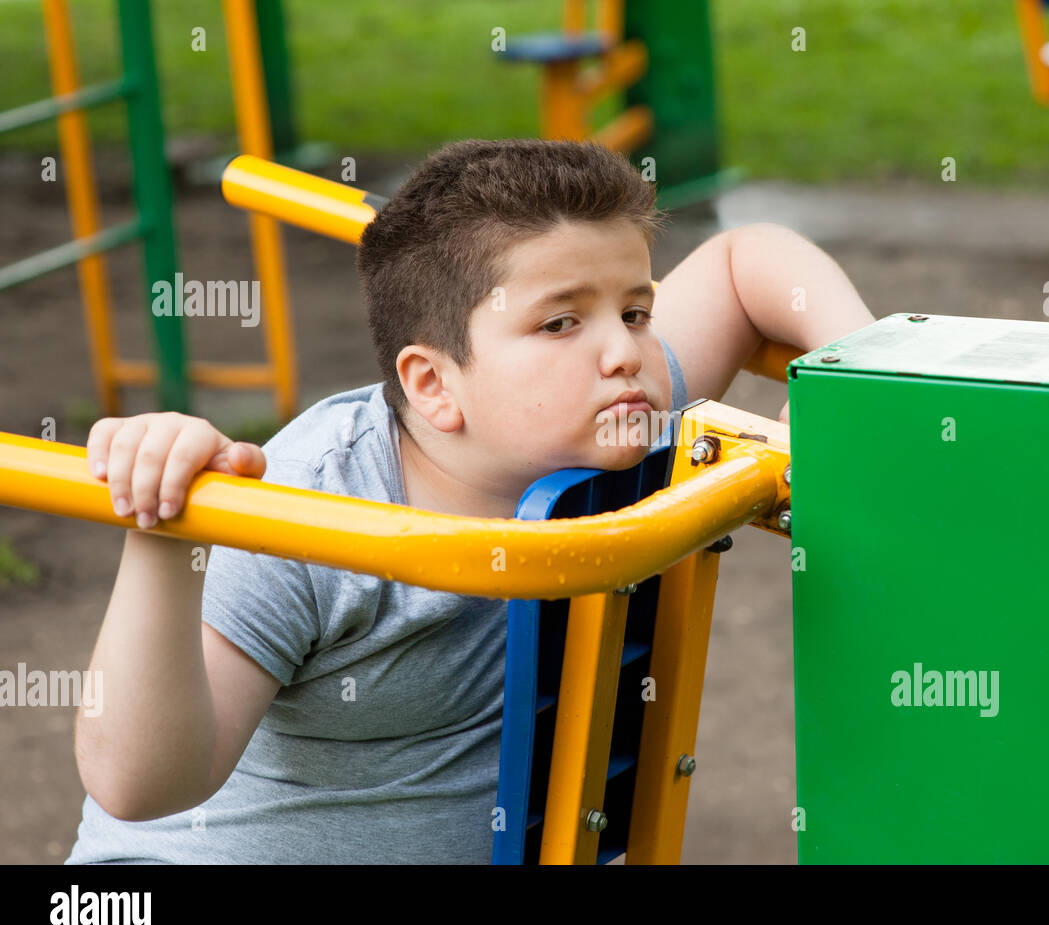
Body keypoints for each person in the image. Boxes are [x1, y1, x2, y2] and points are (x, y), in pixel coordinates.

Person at [65, 138, 874, 863]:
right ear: (433, 385)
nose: (624, 350)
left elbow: (745, 260)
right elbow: (136, 784)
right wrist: (164, 531)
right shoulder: (304, 508)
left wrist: (856, 370)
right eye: (560, 322)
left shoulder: (609, 411)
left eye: (635, 309)